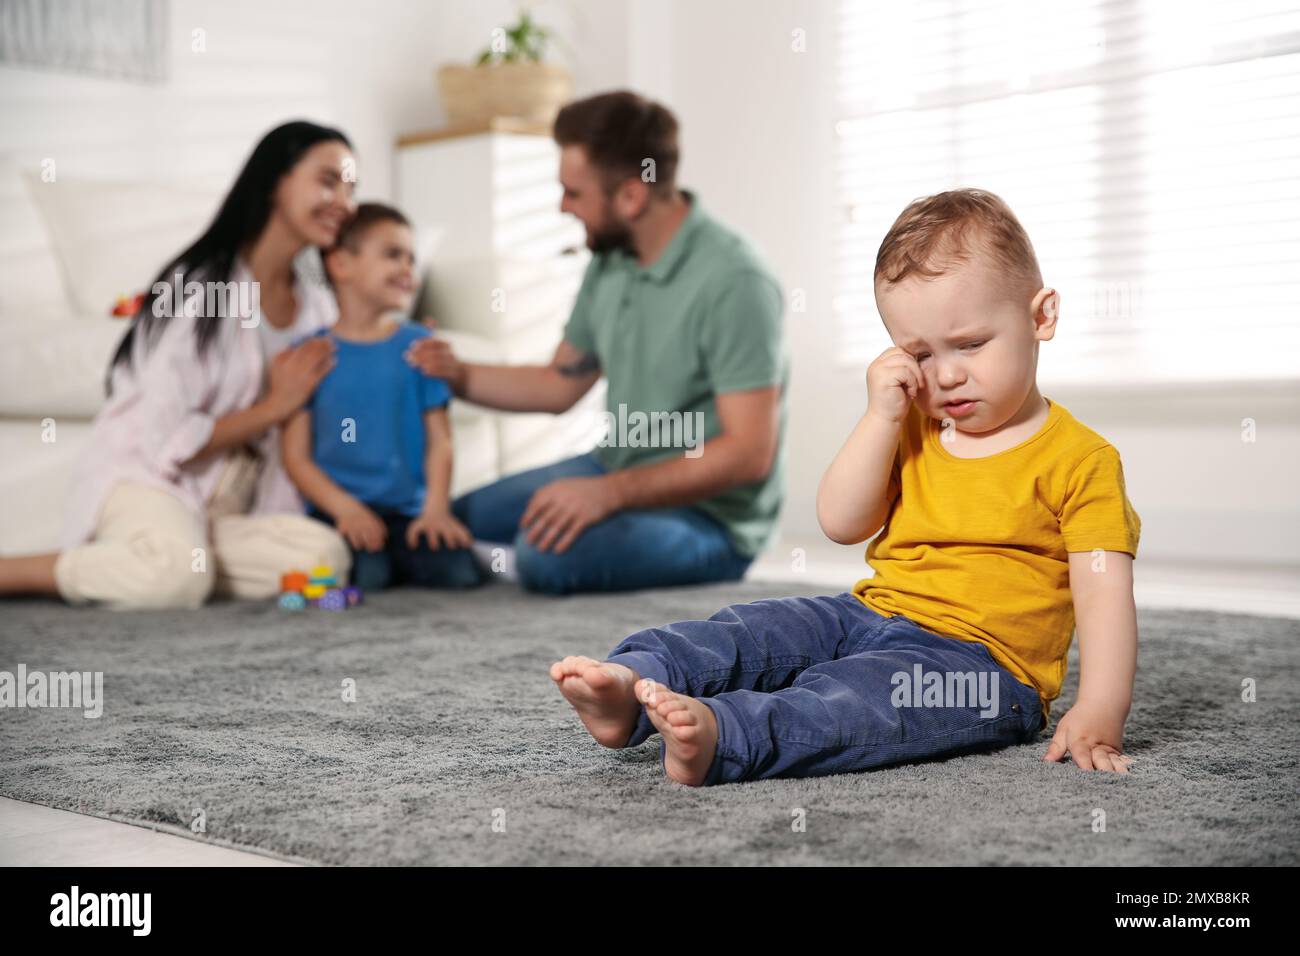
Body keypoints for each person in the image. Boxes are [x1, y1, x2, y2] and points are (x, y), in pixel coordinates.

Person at [551, 188, 1142, 785]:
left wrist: (1100, 706)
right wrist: (879, 419)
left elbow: (1103, 597)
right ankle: (632, 680)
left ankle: (727, 735)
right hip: (870, 611)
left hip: (983, 668)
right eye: (920, 353)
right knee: (755, 629)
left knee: (859, 702)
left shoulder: (1082, 461)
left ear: (1041, 317)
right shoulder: (912, 423)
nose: (948, 374)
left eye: (970, 344)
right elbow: (841, 522)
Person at [406, 90, 788, 595]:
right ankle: (503, 554)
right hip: (617, 465)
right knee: (454, 522)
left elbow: (747, 454)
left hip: (711, 518)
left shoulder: (735, 280)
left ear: (631, 195)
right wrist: (455, 373)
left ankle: (521, 556)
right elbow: (557, 385)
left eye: (573, 193)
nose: (563, 207)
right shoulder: (612, 260)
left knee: (548, 557)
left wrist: (607, 494)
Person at [0, 121, 356, 608]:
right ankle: (19, 571)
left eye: (352, 188)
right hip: (152, 476)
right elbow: (163, 435)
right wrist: (276, 406)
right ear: (276, 180)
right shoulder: (196, 288)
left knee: (325, 558)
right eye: (329, 180)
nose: (345, 203)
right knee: (175, 577)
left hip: (227, 506)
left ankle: (172, 558)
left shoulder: (318, 308)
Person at [282, 203, 482, 591]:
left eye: (411, 258)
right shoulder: (310, 355)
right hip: (340, 513)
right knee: (369, 576)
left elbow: (441, 441)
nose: (408, 269)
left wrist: (437, 509)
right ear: (341, 265)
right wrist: (347, 510)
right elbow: (295, 457)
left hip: (409, 513)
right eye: (393, 255)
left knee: (459, 573)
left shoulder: (420, 347)